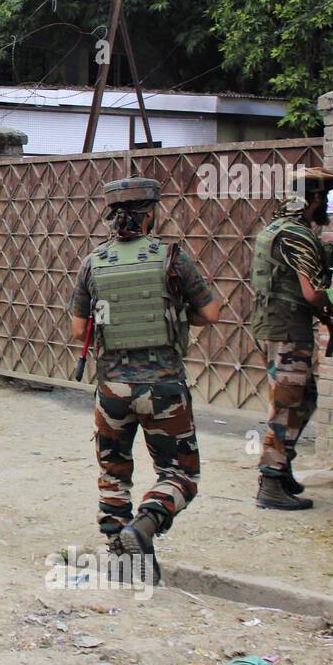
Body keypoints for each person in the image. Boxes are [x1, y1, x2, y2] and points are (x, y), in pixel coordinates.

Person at [69, 177, 221, 582]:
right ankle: (147, 523)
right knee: (181, 474)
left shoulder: (93, 263)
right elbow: (211, 314)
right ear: (150, 213)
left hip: (111, 389)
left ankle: (122, 556)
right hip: (163, 387)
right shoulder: (172, 257)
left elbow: (76, 328)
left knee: (113, 472)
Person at [251, 167, 333, 510]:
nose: (325, 206)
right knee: (286, 406)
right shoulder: (297, 234)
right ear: (313, 198)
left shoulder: (276, 227)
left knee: (305, 399)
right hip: (287, 329)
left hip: (277, 325)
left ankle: (281, 467)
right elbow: (312, 293)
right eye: (324, 199)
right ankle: (271, 483)